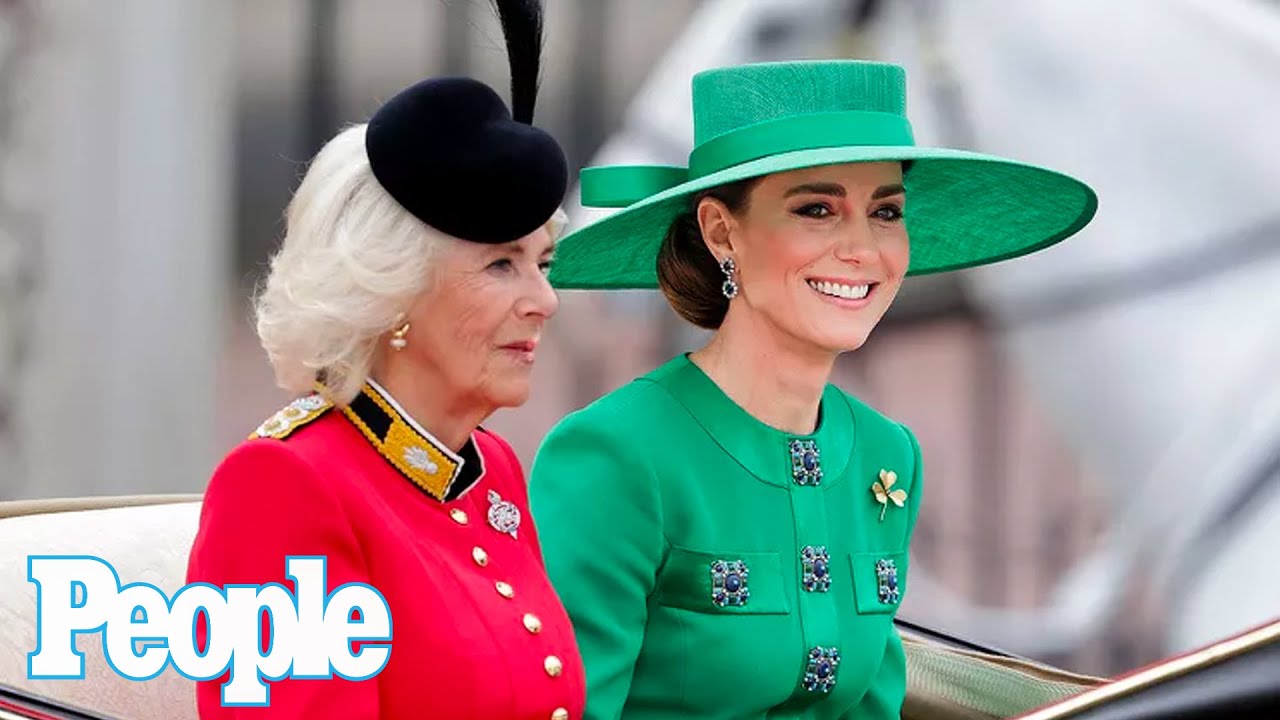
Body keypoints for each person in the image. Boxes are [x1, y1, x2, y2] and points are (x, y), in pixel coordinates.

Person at [528, 59, 1097, 719]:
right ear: (721, 231)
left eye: (885, 211)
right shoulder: (616, 456)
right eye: (818, 209)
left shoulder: (887, 456)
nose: (862, 248)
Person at [185, 2, 585, 718]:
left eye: (544, 262)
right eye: (501, 265)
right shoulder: (279, 486)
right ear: (391, 290)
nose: (544, 301)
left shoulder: (488, 469)